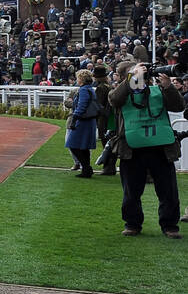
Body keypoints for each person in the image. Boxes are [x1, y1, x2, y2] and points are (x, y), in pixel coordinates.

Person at [109, 62, 183, 238]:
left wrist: (168, 86)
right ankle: (132, 224)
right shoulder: (123, 91)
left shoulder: (157, 90)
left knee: (168, 190)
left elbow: (178, 106)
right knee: (131, 191)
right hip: (132, 148)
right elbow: (114, 100)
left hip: (160, 147)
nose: (140, 75)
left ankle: (170, 225)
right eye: (134, 72)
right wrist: (132, 79)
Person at [65, 68, 98, 178]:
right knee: (84, 147)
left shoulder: (83, 89)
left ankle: (86, 168)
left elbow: (82, 105)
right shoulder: (89, 88)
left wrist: (75, 118)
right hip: (89, 120)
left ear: (82, 79)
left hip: (82, 120)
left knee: (73, 145)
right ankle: (86, 169)